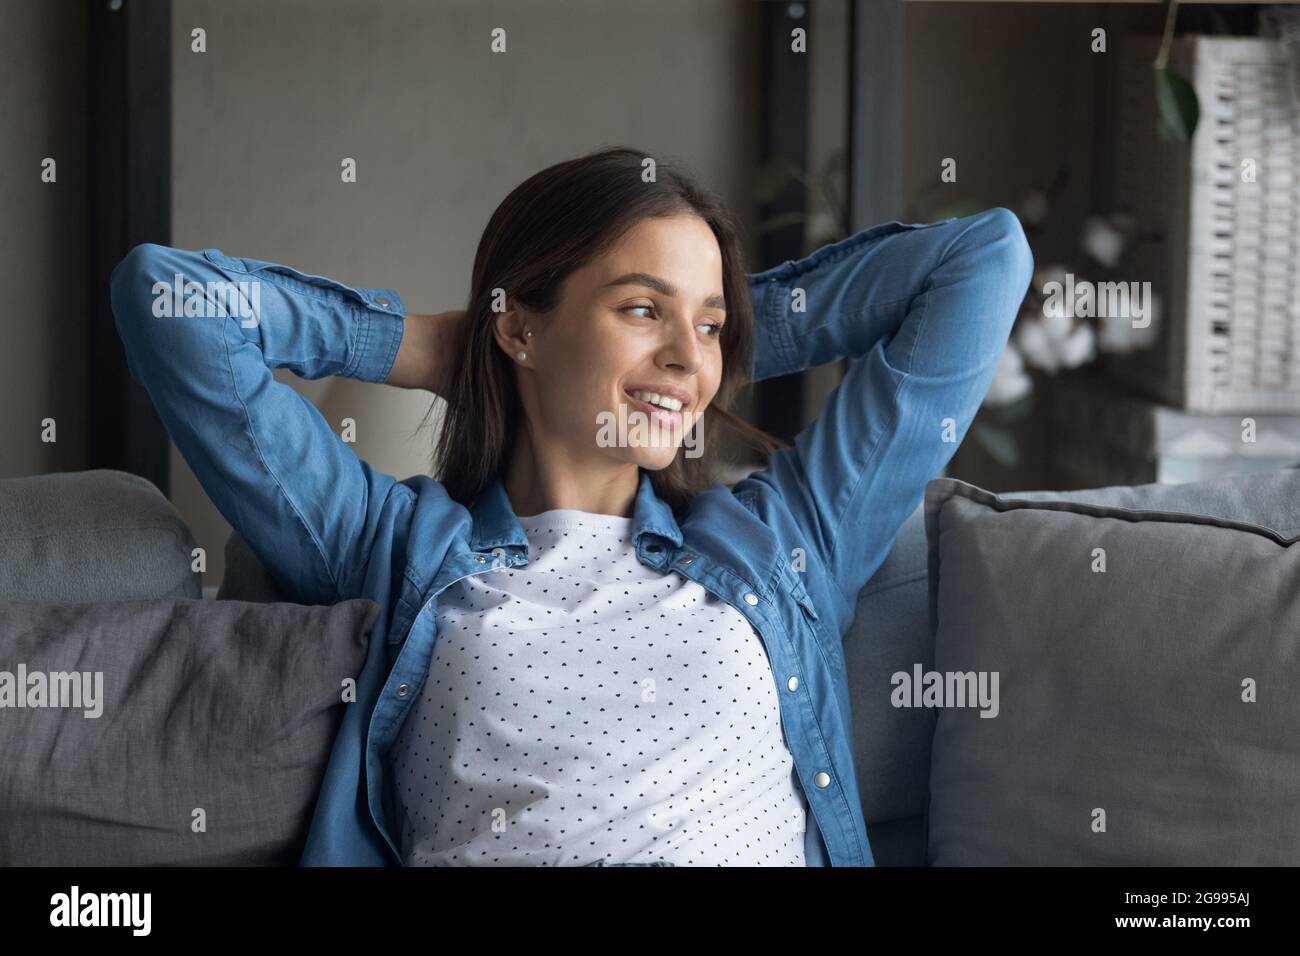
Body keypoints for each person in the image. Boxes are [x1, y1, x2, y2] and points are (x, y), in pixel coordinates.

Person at [110, 146, 1033, 866]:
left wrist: (712, 337)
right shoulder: (393, 546)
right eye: (641, 309)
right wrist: (437, 347)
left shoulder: (785, 539)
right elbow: (171, 302)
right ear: (519, 324)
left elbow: (982, 259)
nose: (691, 357)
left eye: (711, 325)